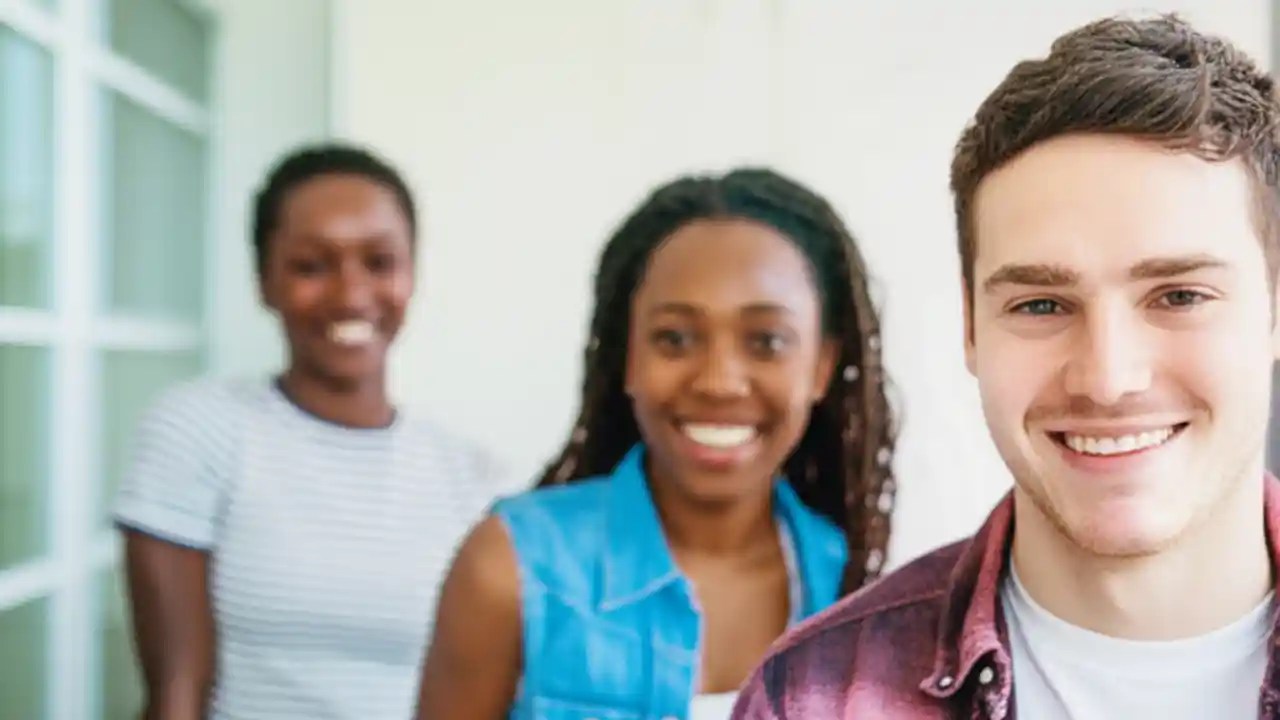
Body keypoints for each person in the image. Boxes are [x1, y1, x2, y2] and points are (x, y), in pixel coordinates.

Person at [731, 13, 1280, 720]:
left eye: (1179, 295)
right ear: (970, 326)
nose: (1108, 379)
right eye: (1042, 305)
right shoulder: (811, 697)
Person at [416, 168, 898, 719]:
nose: (719, 380)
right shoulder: (509, 566)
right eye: (675, 338)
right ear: (628, 357)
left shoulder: (854, 591)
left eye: (766, 341)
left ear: (821, 367)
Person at [114, 144, 502, 720]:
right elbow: (176, 694)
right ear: (264, 282)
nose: (350, 294)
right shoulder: (200, 431)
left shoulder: (472, 476)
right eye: (311, 265)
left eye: (379, 262)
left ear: (411, 274)